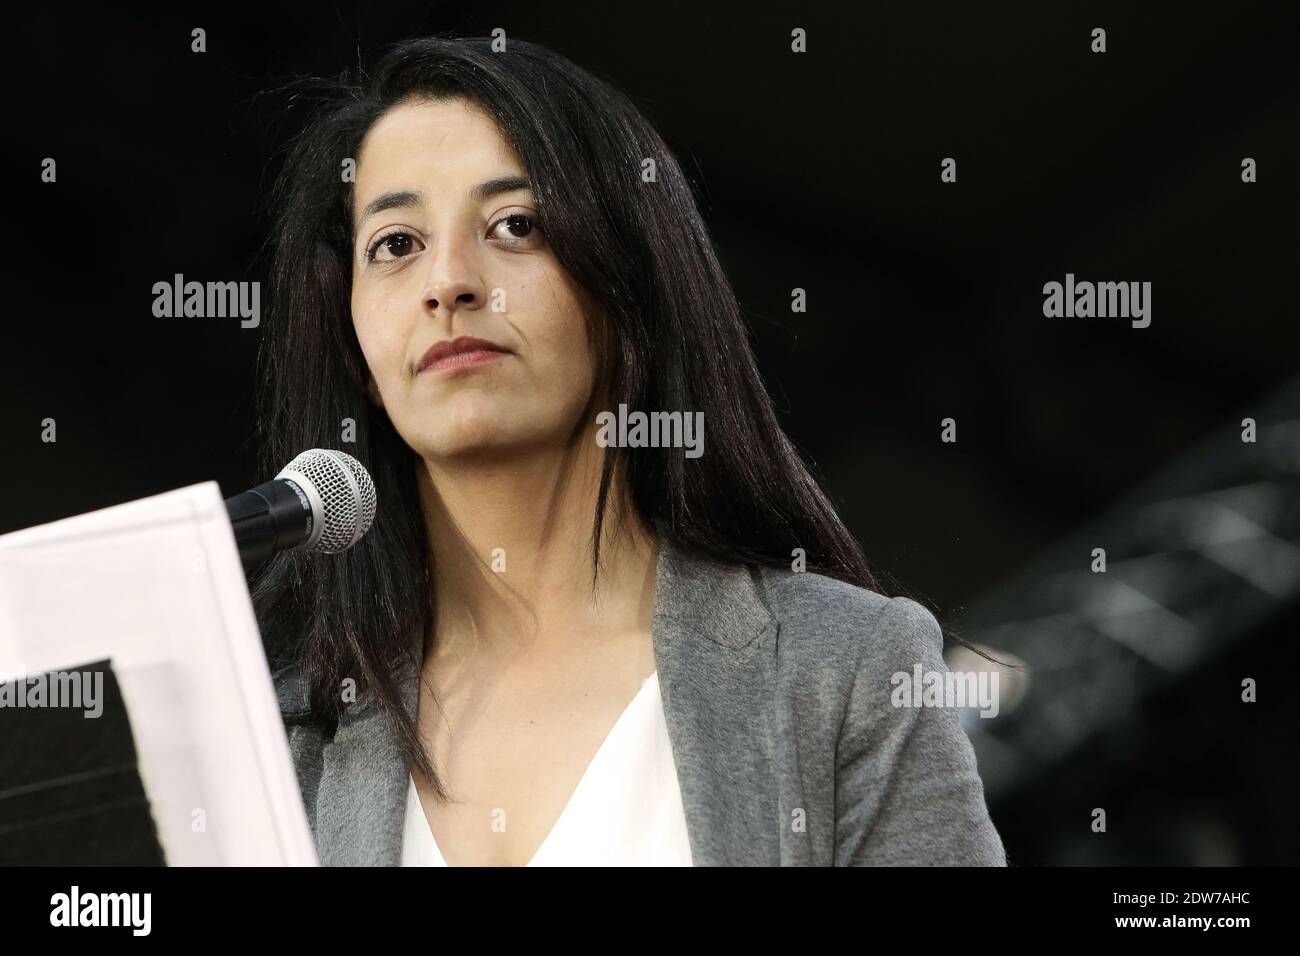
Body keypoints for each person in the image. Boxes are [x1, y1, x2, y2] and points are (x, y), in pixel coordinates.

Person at [253, 35, 1007, 866]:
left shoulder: (846, 668)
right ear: (355, 347)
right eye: (396, 243)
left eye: (515, 224)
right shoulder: (285, 755)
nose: (450, 282)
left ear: (626, 286)